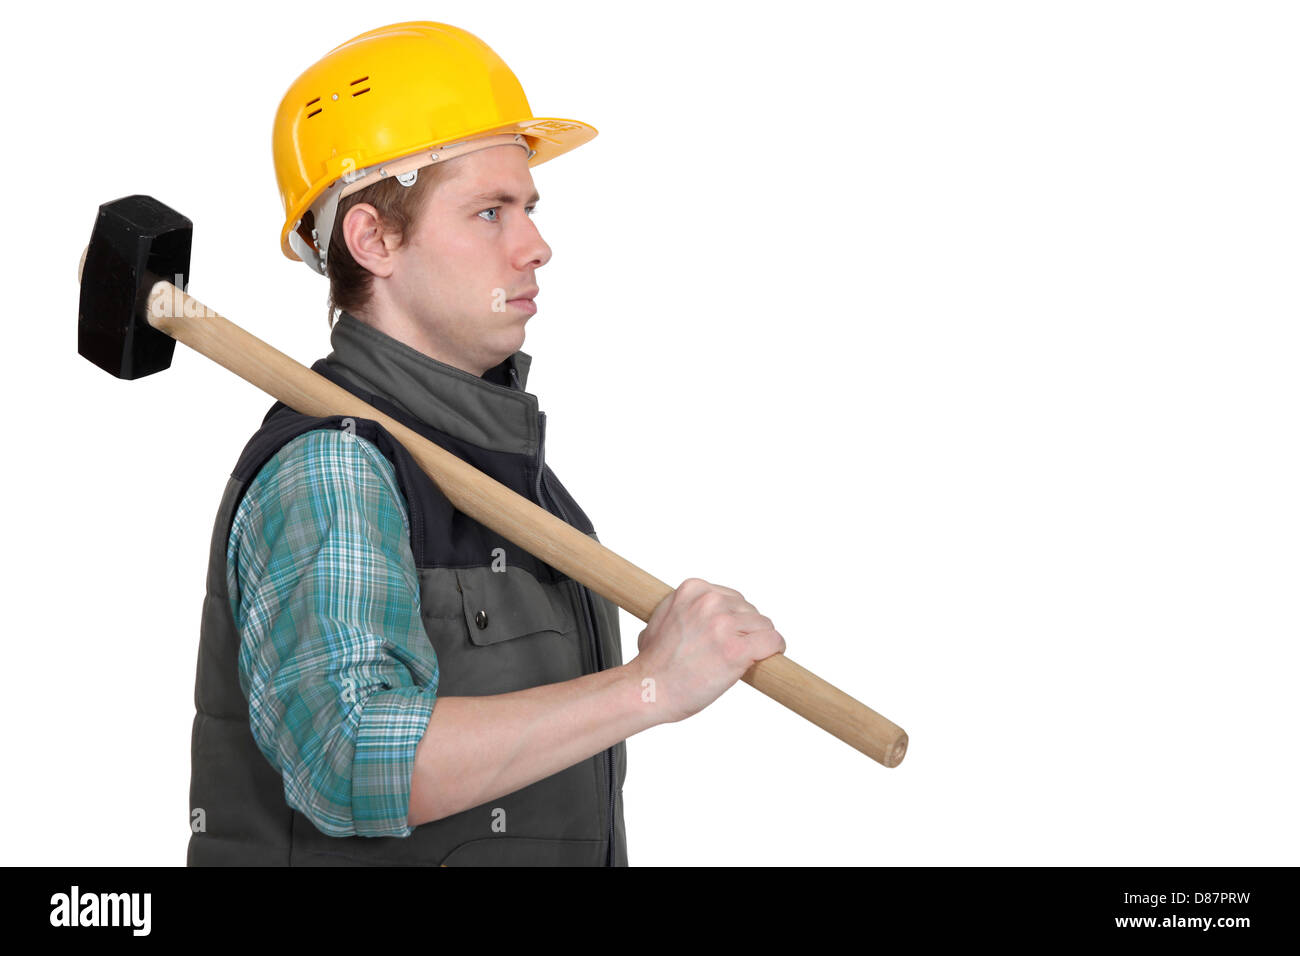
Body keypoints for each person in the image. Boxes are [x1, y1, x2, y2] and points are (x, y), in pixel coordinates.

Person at [186, 20, 786, 867]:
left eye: (529, 209)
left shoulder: (517, 484)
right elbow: (351, 758)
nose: (536, 245)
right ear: (374, 240)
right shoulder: (336, 466)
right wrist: (648, 687)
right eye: (489, 211)